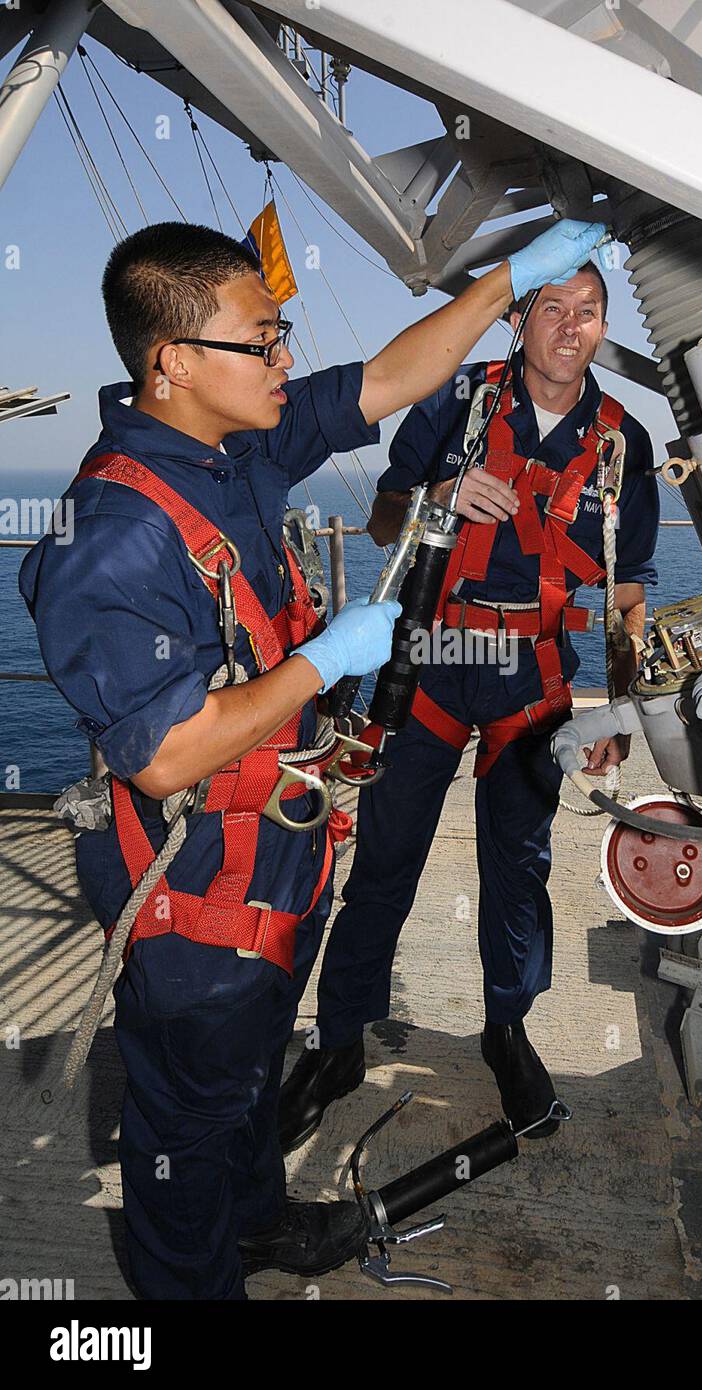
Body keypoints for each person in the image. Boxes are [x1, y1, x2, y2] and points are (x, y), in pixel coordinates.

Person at [19, 216, 607, 1300]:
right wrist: (319, 662)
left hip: (275, 856)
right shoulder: (112, 533)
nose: (286, 358)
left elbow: (390, 375)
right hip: (195, 894)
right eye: (265, 337)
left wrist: (501, 285)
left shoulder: (233, 443)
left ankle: (254, 1221)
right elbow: (161, 755)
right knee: (182, 1135)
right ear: (176, 361)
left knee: (249, 1078)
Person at [277, 260, 660, 1151]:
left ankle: (507, 1028)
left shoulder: (621, 442)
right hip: (435, 655)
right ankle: (339, 1041)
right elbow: (382, 519)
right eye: (552, 309)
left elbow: (630, 591)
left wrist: (623, 713)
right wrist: (439, 496)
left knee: (518, 865)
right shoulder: (457, 401)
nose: (570, 328)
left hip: (534, 673)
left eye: (590, 312)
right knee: (386, 855)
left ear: (604, 327)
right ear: (518, 321)